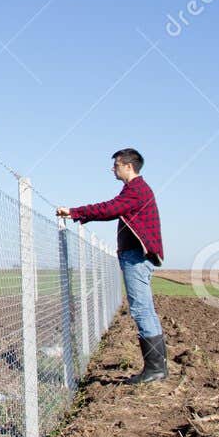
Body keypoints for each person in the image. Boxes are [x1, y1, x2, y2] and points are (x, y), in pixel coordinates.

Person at [56, 148, 167, 384]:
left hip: (136, 257)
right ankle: (156, 367)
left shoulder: (137, 190)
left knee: (141, 310)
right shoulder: (136, 189)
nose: (113, 168)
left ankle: (155, 369)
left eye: (116, 164)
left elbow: (110, 209)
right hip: (136, 256)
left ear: (129, 166)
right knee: (145, 309)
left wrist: (75, 212)